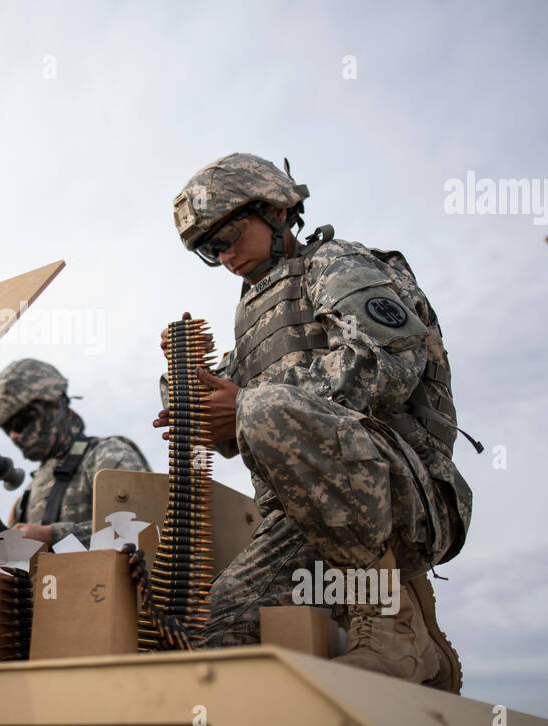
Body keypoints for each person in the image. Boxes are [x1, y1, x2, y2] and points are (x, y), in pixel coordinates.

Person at [156, 152, 477, 691]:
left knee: (259, 407)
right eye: (209, 251)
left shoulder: (337, 264)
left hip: (400, 490)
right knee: (212, 638)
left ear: (278, 211)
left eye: (229, 234)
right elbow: (235, 403)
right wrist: (185, 385)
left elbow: (389, 362)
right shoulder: (255, 322)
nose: (225, 254)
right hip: (303, 517)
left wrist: (243, 404)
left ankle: (396, 629)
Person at [0, 358, 151, 548]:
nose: (14, 436)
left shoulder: (106, 453)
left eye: (21, 422)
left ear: (54, 406)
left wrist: (53, 536)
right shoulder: (27, 497)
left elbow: (145, 525)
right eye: (7, 430)